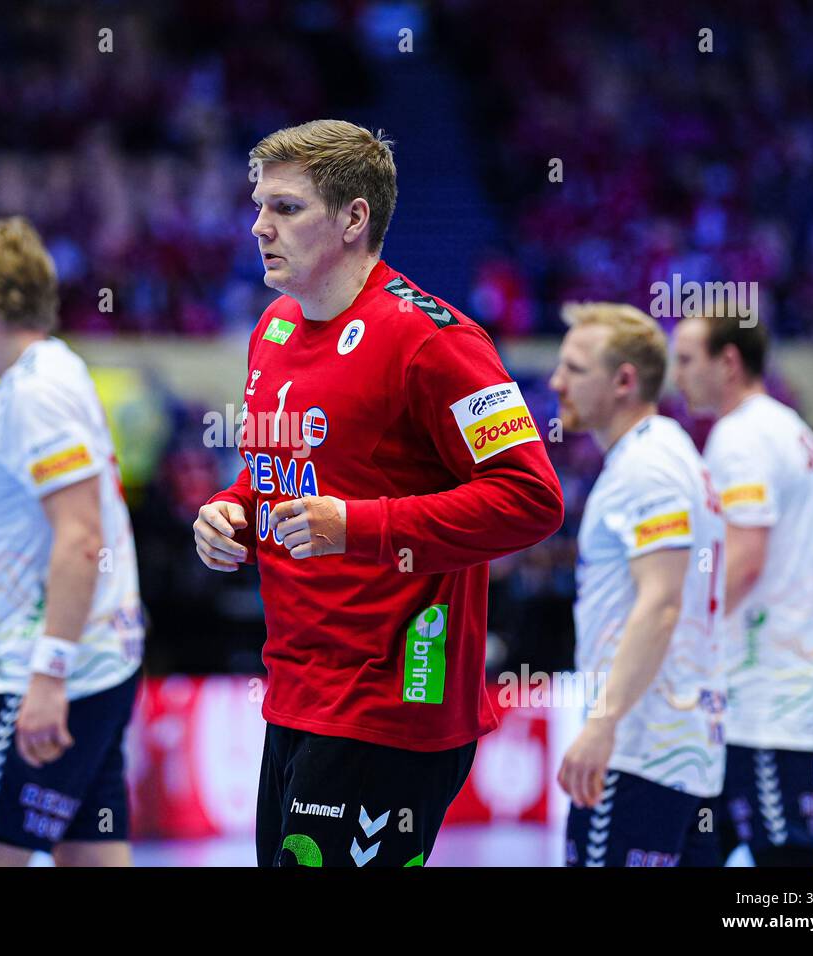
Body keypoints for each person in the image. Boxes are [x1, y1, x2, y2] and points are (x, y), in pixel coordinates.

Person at [193, 120, 564, 867]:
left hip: (394, 699)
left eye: (287, 208)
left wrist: (358, 528)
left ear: (354, 217)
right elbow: (278, 474)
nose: (260, 226)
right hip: (296, 688)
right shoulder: (271, 328)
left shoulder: (435, 341)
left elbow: (532, 498)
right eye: (260, 205)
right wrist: (232, 510)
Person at [0, 217, 145, 867]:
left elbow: (81, 537)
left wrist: (43, 675)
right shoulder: (49, 377)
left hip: (59, 673)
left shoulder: (37, 390)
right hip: (87, 666)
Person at [672, 312, 813, 866]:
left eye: (687, 360)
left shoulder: (741, 438)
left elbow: (747, 560)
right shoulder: (797, 433)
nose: (676, 376)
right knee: (701, 846)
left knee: (788, 871)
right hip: (785, 682)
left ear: (728, 362)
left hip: (757, 699)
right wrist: (802, 632)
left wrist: (681, 643)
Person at [549, 302, 726, 867]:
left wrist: (602, 726)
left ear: (624, 380)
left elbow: (662, 604)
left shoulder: (647, 468)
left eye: (575, 369)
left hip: (638, 752)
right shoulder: (668, 455)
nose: (556, 382)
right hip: (673, 748)